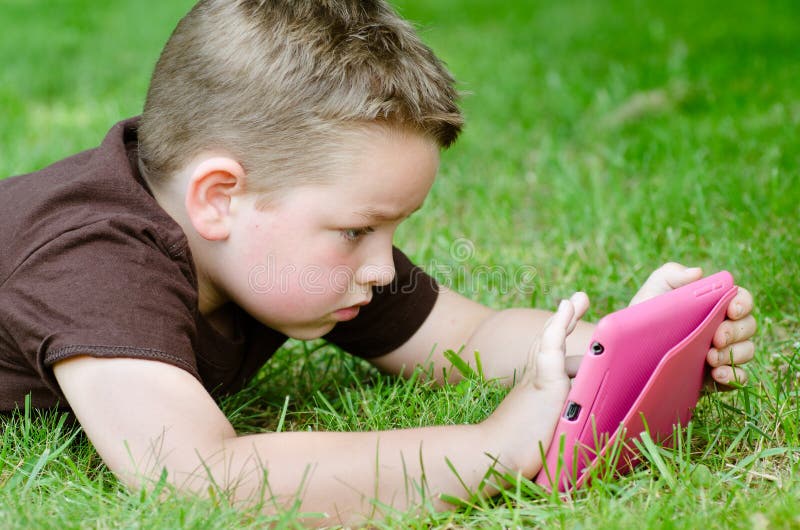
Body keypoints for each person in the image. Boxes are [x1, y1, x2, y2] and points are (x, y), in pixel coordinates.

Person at [0, 0, 756, 525]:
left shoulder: (295, 259)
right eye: (359, 228)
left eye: (389, 230)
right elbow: (197, 480)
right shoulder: (91, 259)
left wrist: (616, 345)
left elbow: (473, 336)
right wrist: (493, 448)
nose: (381, 264)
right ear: (219, 198)